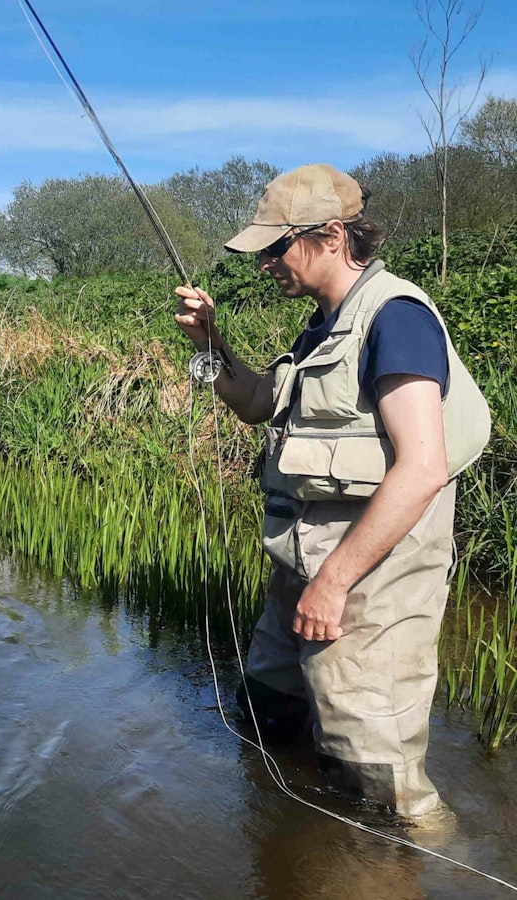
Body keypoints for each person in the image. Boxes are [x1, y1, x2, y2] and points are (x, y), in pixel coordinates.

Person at [173, 163, 491, 818]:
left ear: (332, 235)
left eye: (274, 248)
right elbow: (257, 402)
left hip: (367, 585)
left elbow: (424, 466)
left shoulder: (394, 318)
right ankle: (286, 840)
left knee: (373, 776)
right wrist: (210, 343)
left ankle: (430, 862)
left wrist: (333, 582)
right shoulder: (320, 328)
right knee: (266, 716)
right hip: (303, 574)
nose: (265, 265)